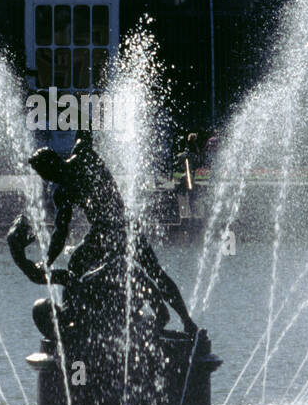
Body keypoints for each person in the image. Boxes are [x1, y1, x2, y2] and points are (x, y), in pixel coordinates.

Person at [23, 129, 196, 337]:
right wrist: (48, 261)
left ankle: (184, 320)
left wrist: (82, 111)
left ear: (52, 165)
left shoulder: (83, 157)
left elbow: (84, 132)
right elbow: (60, 233)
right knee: (79, 263)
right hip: (104, 230)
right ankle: (81, 315)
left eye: (44, 173)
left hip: (122, 226)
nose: (45, 179)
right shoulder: (63, 191)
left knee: (152, 271)